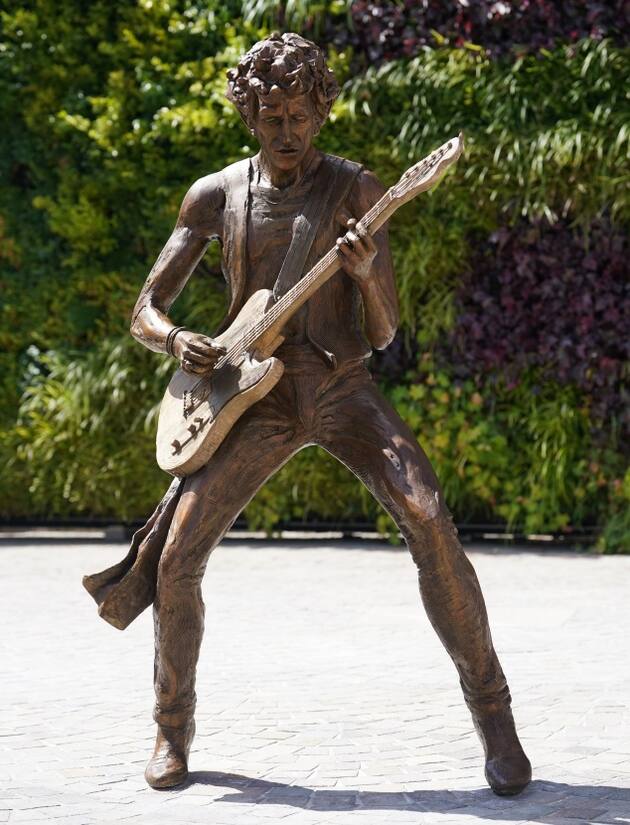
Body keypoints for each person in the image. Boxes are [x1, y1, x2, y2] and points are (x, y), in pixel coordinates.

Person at [84, 32, 531, 796]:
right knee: (177, 557)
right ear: (249, 114)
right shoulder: (216, 195)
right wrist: (178, 339)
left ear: (321, 110)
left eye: (299, 115)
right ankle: (171, 726)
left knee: (428, 516)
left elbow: (383, 332)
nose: (287, 131)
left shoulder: (356, 189)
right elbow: (145, 308)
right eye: (271, 117)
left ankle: (495, 716)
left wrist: (367, 275)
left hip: (341, 386)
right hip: (249, 395)